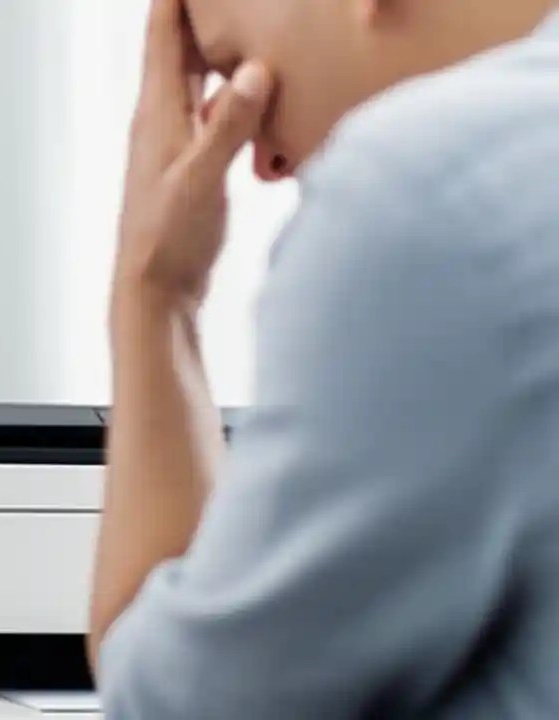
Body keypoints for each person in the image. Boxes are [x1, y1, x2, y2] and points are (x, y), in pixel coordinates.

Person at [89, 0, 559, 716]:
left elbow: (179, 707)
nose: (266, 160)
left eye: (230, 65)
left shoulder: (426, 196)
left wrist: (154, 295)